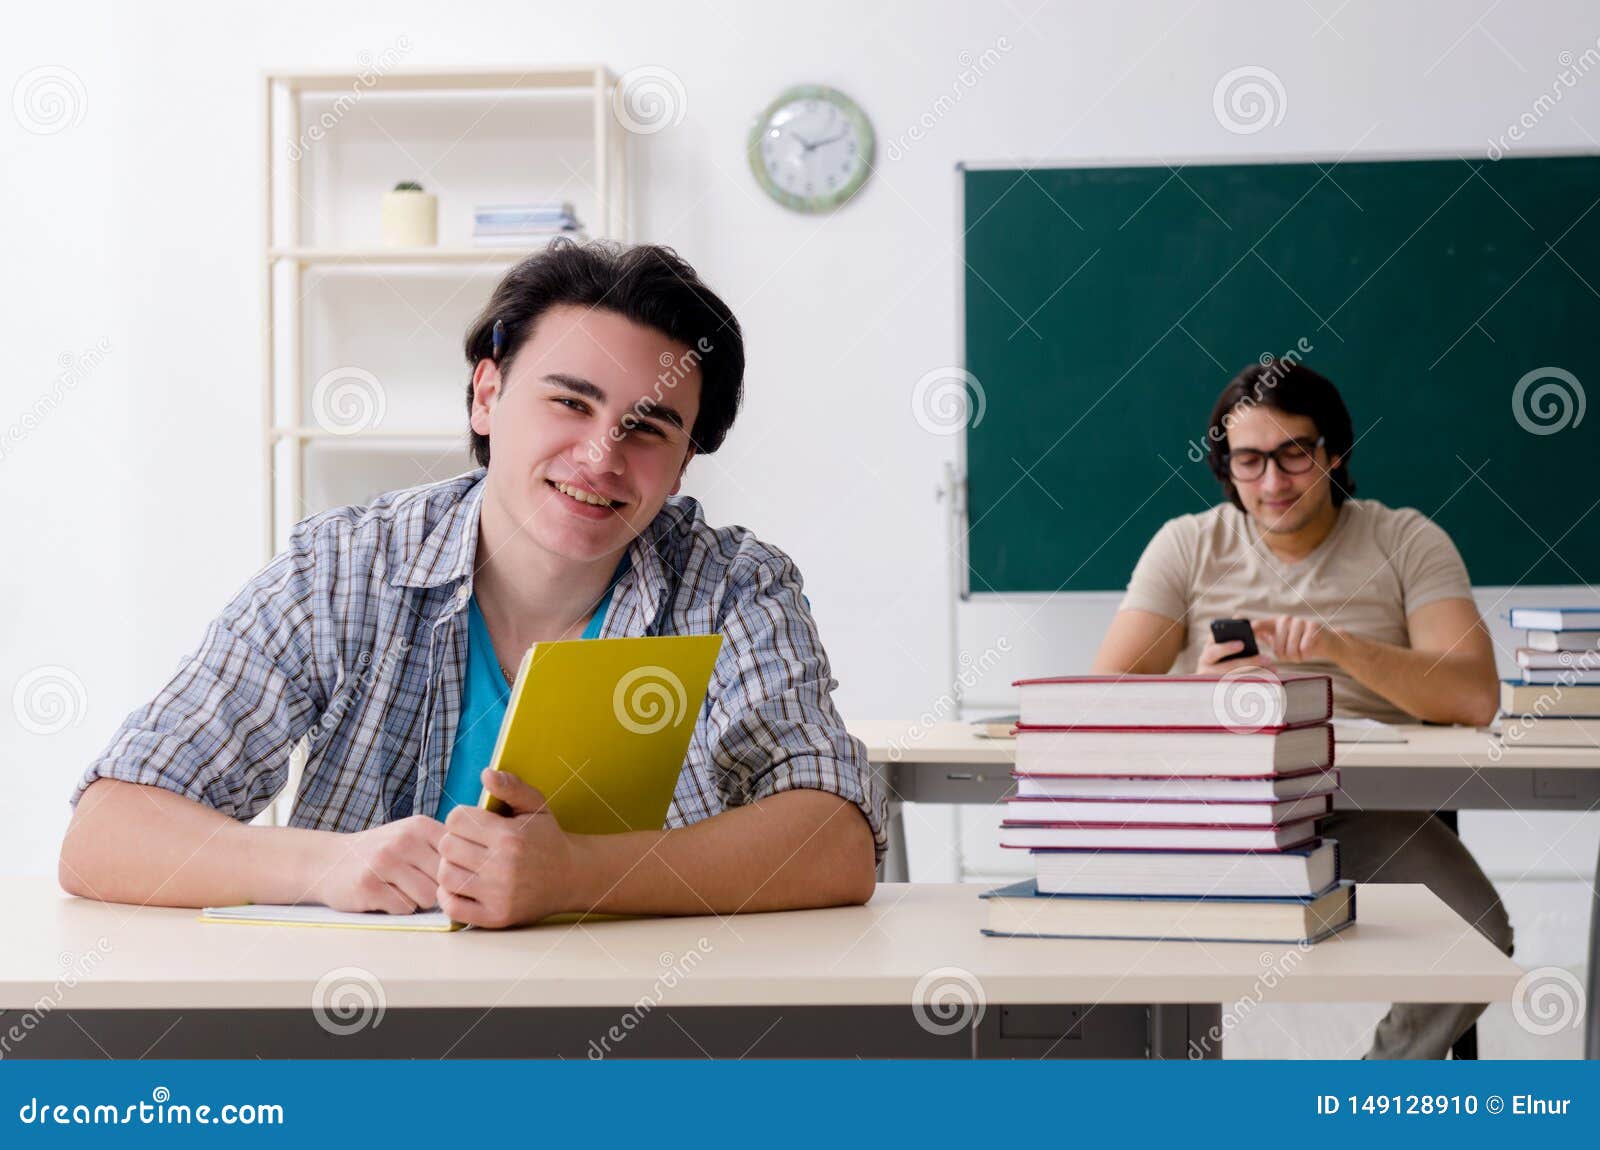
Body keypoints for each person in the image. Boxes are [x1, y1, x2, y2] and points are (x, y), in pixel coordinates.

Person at [60, 239, 883, 928]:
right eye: (571, 403)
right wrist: (329, 864)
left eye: (647, 428)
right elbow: (106, 834)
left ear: (681, 465)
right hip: (365, 1039)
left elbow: (836, 840)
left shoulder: (735, 587)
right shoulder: (345, 568)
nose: (601, 456)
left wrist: (574, 876)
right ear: (487, 394)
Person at [1092, 357, 1510, 1059]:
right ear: (1226, 466)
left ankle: (1362, 1100)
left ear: (1334, 451)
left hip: (1365, 804)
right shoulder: (1189, 545)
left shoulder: (1405, 539)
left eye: (1295, 456)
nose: (1274, 483)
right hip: (1223, 810)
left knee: (1479, 937)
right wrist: (1201, 694)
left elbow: (1473, 696)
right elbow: (1105, 701)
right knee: (1106, 931)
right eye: (1250, 462)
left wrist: (1340, 649)